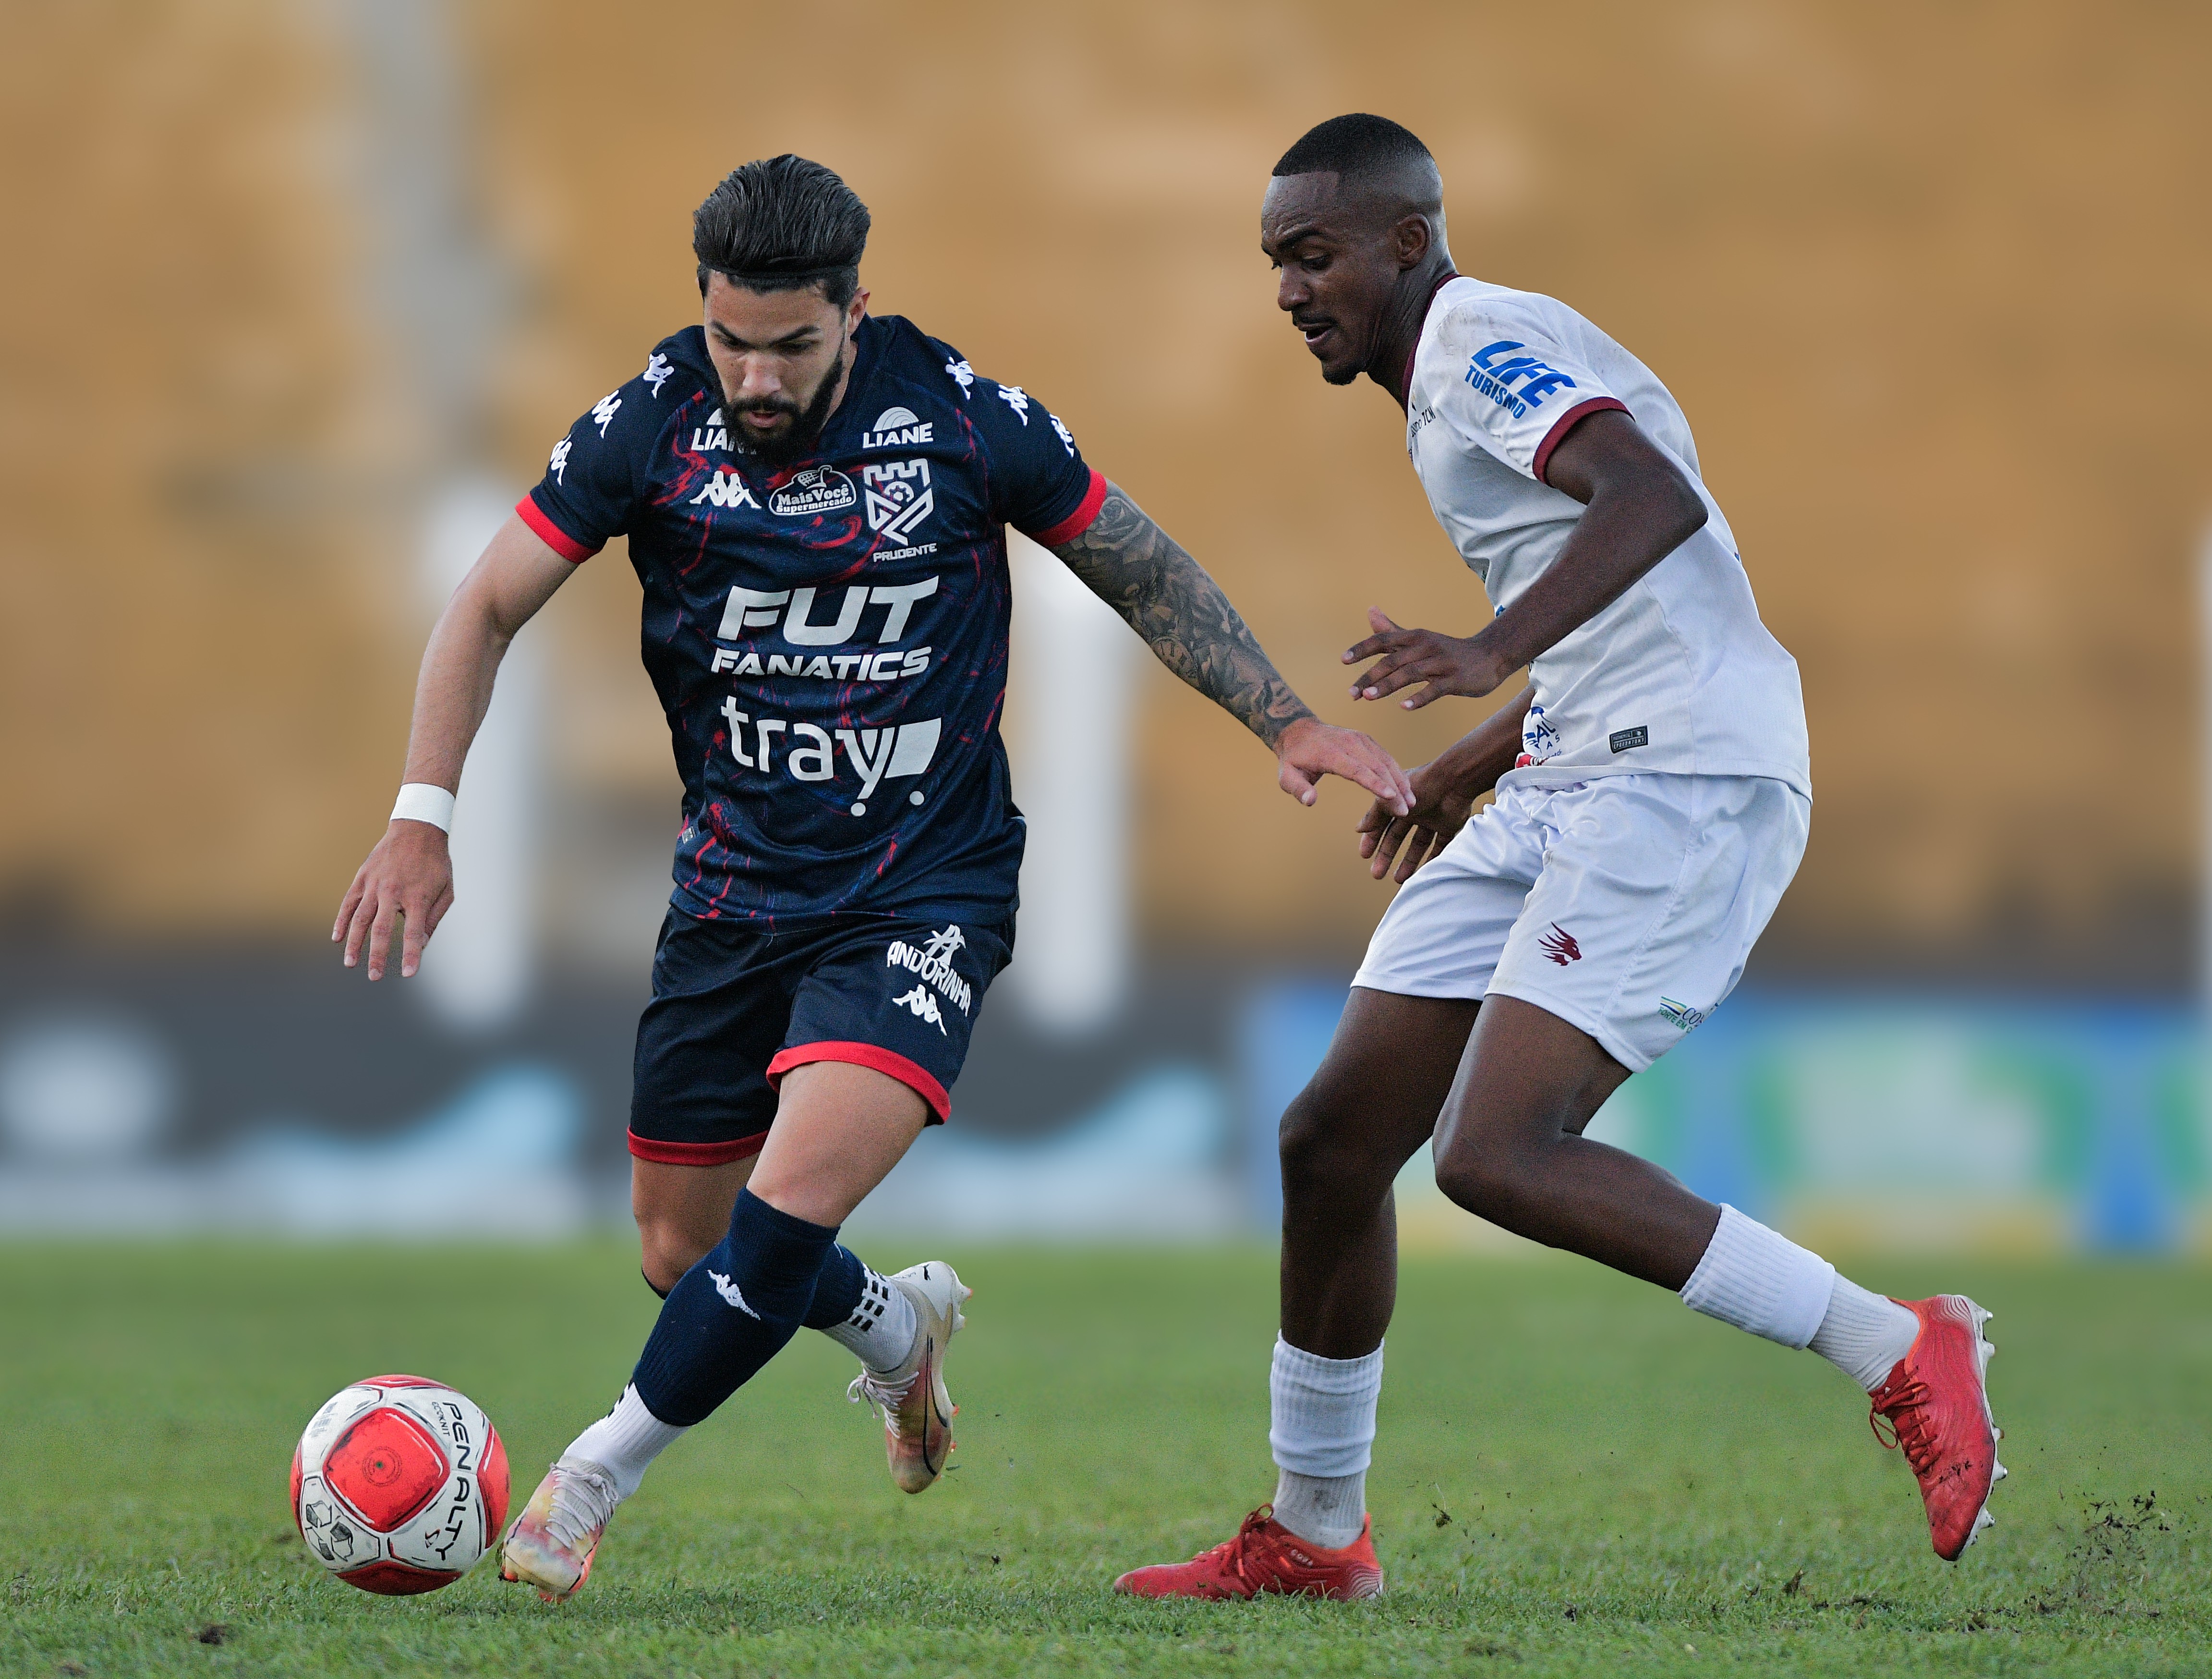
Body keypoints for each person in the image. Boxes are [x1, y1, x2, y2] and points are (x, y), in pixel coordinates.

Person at [331, 154, 1412, 1602]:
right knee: (683, 1250)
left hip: (924, 890)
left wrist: (1286, 719)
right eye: (731, 341)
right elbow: (484, 604)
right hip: (731, 894)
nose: (757, 379)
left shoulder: (961, 421)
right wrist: (421, 813)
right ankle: (897, 1333)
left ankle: (591, 1479)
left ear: (855, 311)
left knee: (778, 1224)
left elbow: (1137, 565)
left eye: (791, 345)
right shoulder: (651, 422)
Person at [1115, 114, 2001, 1602]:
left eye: (1315, 253)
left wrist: (1480, 654)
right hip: (1570, 767)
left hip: (1684, 781)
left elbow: (1654, 502)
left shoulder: (1472, 340)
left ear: (1408, 241)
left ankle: (1900, 1343)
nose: (1288, 289)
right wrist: (1465, 769)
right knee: (1333, 1144)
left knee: (1494, 1157)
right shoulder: (1443, 378)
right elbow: (1615, 597)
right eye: (1274, 261)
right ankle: (1317, 1535)